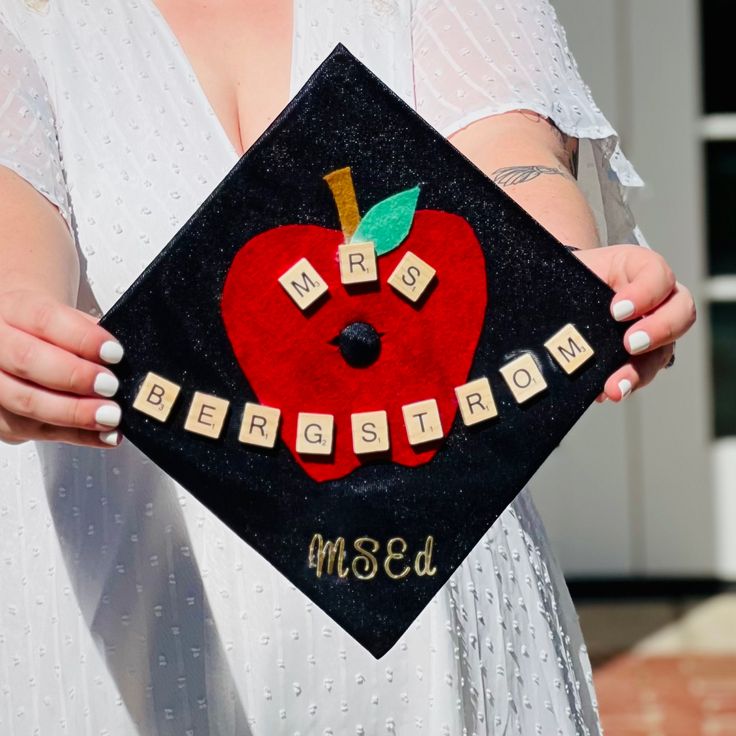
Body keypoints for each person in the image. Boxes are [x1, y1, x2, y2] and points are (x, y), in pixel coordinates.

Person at [0, 1, 695, 734]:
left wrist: (570, 284)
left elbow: (510, 160)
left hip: (430, 582)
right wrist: (21, 329)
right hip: (132, 601)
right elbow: (18, 227)